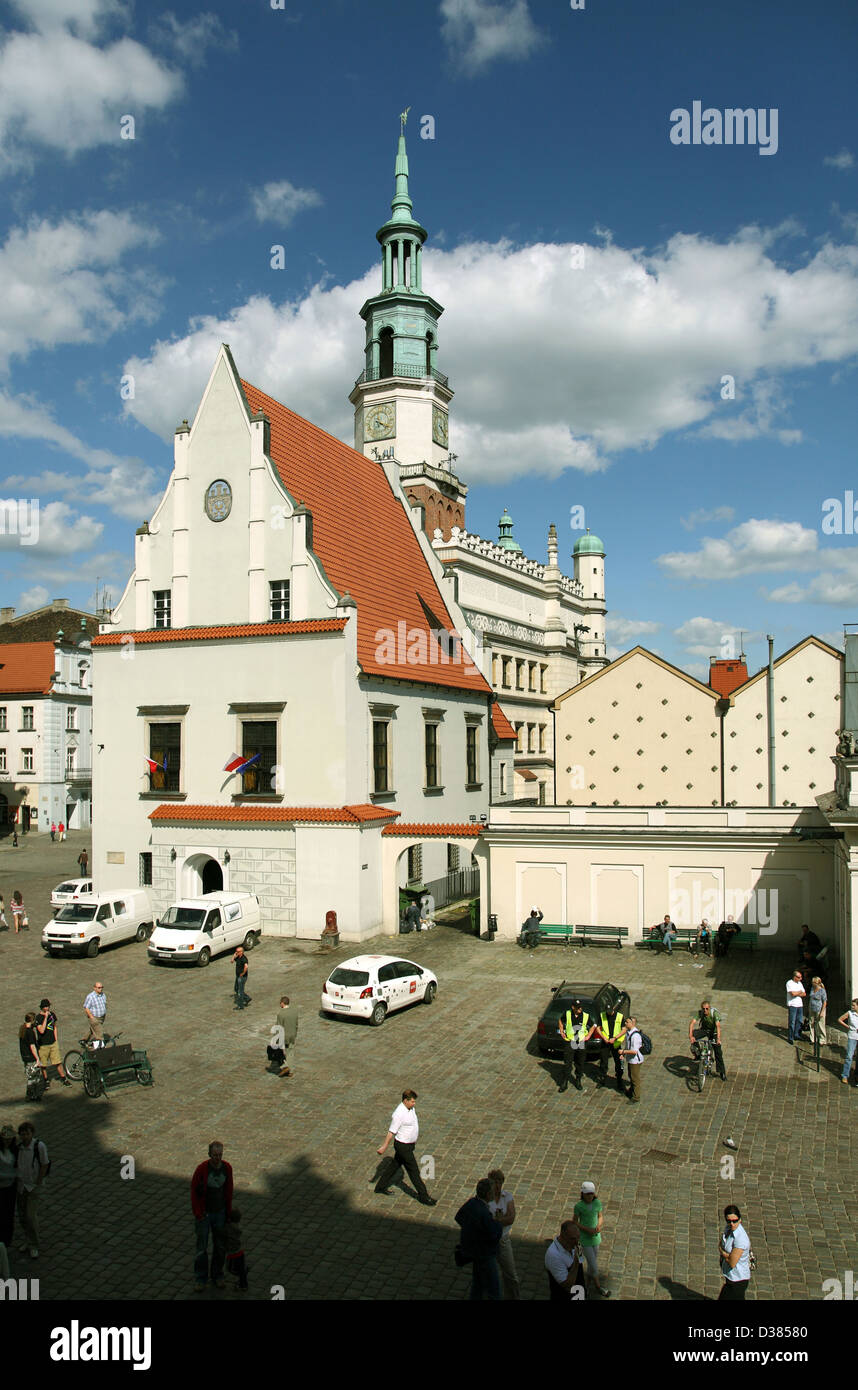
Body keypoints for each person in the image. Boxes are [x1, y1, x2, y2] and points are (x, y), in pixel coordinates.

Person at [374, 1089, 436, 1205]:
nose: (414, 1104)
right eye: (412, 1101)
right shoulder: (398, 1114)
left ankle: (380, 1187)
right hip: (403, 1146)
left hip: (409, 1145)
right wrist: (384, 1146)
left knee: (394, 1165)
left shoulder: (410, 1108)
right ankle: (424, 1196)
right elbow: (391, 1132)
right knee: (414, 1171)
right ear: (405, 1101)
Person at [191, 1140, 233, 1291]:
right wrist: (198, 1213)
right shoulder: (202, 1169)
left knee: (220, 1246)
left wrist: (228, 1213)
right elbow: (194, 1192)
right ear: (209, 1154)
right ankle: (200, 1278)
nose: (217, 1158)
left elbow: (229, 1191)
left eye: (220, 1155)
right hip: (205, 1214)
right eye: (215, 1155)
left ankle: (217, 1275)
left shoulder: (227, 1168)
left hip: (220, 1213)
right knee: (201, 1248)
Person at [454, 1179, 502, 1300]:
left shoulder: (472, 1203)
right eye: (492, 1192)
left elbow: (459, 1217)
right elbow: (494, 1233)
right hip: (484, 1255)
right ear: (488, 1194)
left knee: (478, 1285)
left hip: (474, 1253)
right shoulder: (484, 1213)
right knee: (494, 1290)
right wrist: (498, 1221)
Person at [487, 1168, 520, 1300]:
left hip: (503, 1239)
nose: (498, 1185)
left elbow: (511, 1218)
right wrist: (501, 1220)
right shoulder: (485, 1199)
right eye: (495, 1182)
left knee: (511, 1274)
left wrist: (496, 1220)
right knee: (488, 1274)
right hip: (489, 1241)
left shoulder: (507, 1197)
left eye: (500, 1182)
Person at [16, 1123, 48, 1259]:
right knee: (22, 1216)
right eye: (22, 1134)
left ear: (32, 1133)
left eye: (27, 1133)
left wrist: (38, 1181)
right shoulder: (19, 1148)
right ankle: (28, 1240)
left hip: (34, 1186)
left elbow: (45, 1163)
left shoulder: (39, 1146)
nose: (25, 1136)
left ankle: (34, 1244)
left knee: (30, 1216)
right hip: (21, 1186)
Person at [574, 1181, 610, 1297]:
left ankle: (587, 1287)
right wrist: (586, 1229)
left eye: (591, 1194)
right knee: (593, 1265)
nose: (589, 1196)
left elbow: (600, 1216)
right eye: (587, 1194)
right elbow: (574, 1222)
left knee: (591, 1265)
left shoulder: (597, 1203)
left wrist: (598, 1226)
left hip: (595, 1238)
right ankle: (599, 1286)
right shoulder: (579, 1206)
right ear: (582, 1194)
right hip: (585, 1240)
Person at [558, 998, 594, 1093]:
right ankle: (565, 1081)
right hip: (570, 1041)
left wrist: (588, 1036)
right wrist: (562, 1031)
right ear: (573, 1007)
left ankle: (578, 1080)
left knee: (580, 1062)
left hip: (581, 1042)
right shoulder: (567, 1013)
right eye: (578, 1008)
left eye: (580, 1008)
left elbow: (593, 1026)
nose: (580, 1009)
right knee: (567, 1062)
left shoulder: (585, 1016)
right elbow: (561, 1021)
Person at [545, 1219, 585, 1301]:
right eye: (573, 1239)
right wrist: (576, 1262)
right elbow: (568, 1285)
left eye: (578, 1237)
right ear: (563, 1236)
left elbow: (580, 1272)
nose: (577, 1242)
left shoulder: (576, 1245)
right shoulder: (553, 1255)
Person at [718, 1204, 751, 1300]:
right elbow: (721, 1243)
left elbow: (732, 1262)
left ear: (740, 1219)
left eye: (734, 1221)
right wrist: (726, 1254)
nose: (732, 1223)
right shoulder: (729, 1229)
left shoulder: (740, 1239)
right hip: (731, 1278)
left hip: (738, 1280)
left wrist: (722, 1253)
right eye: (729, 1221)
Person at [35, 999, 71, 1085]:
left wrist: (55, 1039)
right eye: (46, 1007)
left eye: (48, 1006)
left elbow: (54, 1027)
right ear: (42, 1007)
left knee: (58, 1062)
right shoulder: (38, 1018)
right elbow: (41, 1031)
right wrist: (46, 1018)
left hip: (53, 1043)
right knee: (43, 1065)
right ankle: (46, 1079)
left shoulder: (52, 1015)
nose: (48, 1008)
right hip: (43, 1045)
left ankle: (63, 1078)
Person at [689, 1000, 726, 1081]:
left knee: (718, 1051)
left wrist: (718, 1039)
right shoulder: (700, 1013)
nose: (705, 1011)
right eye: (703, 1009)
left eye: (706, 1009)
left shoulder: (714, 1014)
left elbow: (718, 1026)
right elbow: (692, 1023)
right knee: (694, 1037)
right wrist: (691, 1036)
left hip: (714, 1031)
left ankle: (722, 1072)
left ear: (709, 1008)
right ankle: (698, 1055)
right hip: (705, 1029)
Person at [595, 1002, 627, 1092]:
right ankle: (602, 1079)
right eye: (607, 1011)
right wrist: (604, 1037)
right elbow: (598, 1027)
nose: (609, 1013)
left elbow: (624, 1029)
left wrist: (615, 1038)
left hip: (616, 1043)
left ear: (613, 1008)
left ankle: (619, 1080)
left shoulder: (619, 1016)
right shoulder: (602, 1015)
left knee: (618, 1062)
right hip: (605, 1042)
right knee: (603, 1061)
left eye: (610, 1011)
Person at [0, 1126, 19, 1250]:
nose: (7, 1141)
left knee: (8, 1214)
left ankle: (6, 1240)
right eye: (5, 1139)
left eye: (9, 1139)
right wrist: (12, 1175)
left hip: (10, 1188)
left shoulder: (15, 1150)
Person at [19, 1013, 43, 1099]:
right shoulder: (30, 1032)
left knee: (30, 1076)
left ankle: (31, 1094)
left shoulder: (23, 1029)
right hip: (31, 1057)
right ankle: (32, 1095)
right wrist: (37, 1059)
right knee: (34, 1077)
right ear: (32, 1021)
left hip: (25, 1057)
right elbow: (32, 1046)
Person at [619, 1014, 644, 1102]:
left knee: (635, 1078)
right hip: (631, 1059)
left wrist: (623, 1052)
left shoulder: (635, 1036)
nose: (625, 1023)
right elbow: (628, 1045)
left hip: (635, 1060)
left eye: (627, 1022)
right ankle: (631, 1091)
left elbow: (634, 1051)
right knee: (631, 1076)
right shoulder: (628, 1033)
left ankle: (636, 1097)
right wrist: (624, 1054)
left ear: (633, 1023)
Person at [224, 1205, 248, 1291]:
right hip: (240, 1252)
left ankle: (242, 1278)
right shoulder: (238, 1228)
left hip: (232, 1254)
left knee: (230, 1268)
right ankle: (243, 1283)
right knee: (241, 1268)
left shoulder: (228, 1227)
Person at [276, 995, 298, 1077]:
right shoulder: (294, 1012)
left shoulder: (281, 1014)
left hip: (284, 1037)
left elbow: (279, 1027)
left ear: (282, 1003)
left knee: (278, 1052)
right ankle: (291, 1071)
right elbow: (296, 1025)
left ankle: (284, 1066)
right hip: (292, 1035)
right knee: (290, 1052)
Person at [838, 999, 858, 1084]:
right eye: (852, 1005)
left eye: (854, 1005)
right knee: (849, 1056)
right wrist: (848, 1027)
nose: (852, 1007)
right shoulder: (850, 1013)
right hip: (852, 1037)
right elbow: (840, 1019)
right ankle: (845, 1075)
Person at [83, 981, 107, 1046]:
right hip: (94, 1018)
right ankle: (100, 1048)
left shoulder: (103, 995)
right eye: (99, 987)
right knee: (99, 1033)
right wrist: (92, 1017)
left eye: (102, 987)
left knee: (93, 1029)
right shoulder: (90, 996)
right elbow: (86, 1008)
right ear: (94, 988)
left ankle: (84, 1040)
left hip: (101, 1017)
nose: (101, 989)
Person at [786, 970, 806, 1044]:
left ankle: (796, 1034)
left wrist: (797, 993)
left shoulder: (800, 983)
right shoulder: (789, 983)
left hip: (799, 1004)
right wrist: (799, 992)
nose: (800, 979)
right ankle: (790, 1037)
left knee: (799, 1020)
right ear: (795, 977)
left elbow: (804, 994)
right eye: (799, 977)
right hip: (792, 1004)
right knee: (792, 1021)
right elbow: (792, 994)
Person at [808, 977, 827, 1047]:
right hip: (812, 1008)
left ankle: (822, 1040)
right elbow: (811, 998)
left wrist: (822, 1012)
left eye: (814, 982)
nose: (812, 983)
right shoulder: (812, 989)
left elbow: (825, 1002)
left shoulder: (822, 991)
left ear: (817, 983)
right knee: (811, 1023)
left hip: (819, 1009)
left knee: (820, 1024)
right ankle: (812, 1039)